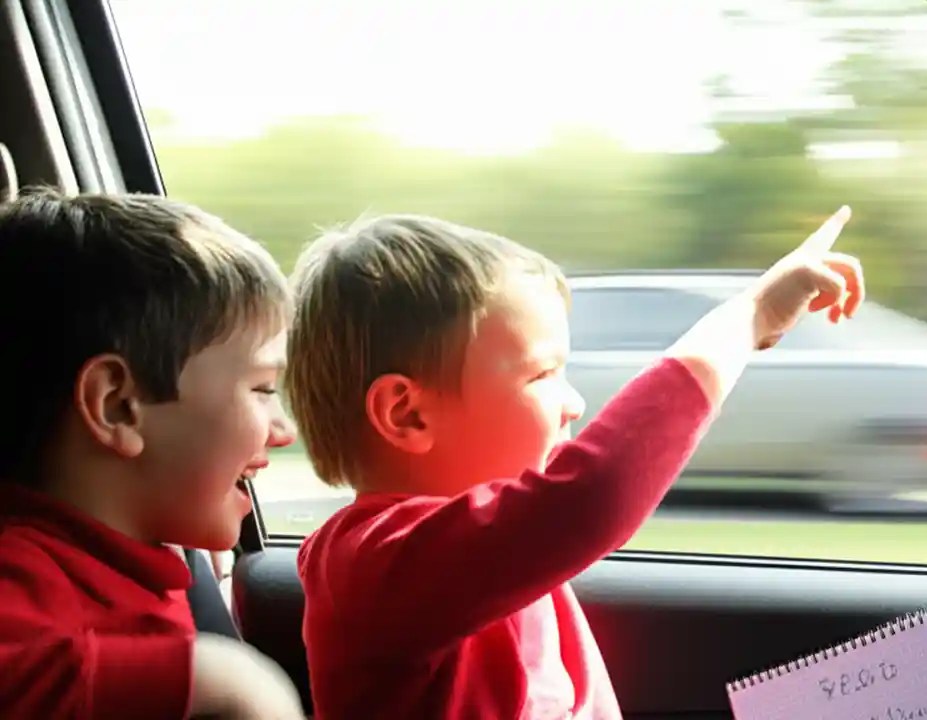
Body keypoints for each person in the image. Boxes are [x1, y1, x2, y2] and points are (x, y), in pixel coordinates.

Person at [287, 206, 863, 719]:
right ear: (407, 414)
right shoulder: (370, 568)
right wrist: (750, 317)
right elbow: (597, 489)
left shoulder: (496, 556)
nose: (574, 403)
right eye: (542, 375)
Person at [0, 188, 307, 719]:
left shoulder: (135, 559)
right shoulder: (23, 573)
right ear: (117, 407)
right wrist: (217, 681)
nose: (283, 431)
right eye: (260, 388)